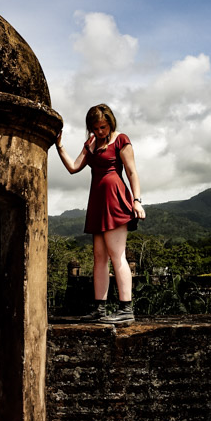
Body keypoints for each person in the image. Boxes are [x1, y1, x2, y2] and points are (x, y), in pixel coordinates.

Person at [54, 104, 146, 323]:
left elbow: (132, 172)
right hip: (97, 204)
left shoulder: (121, 140)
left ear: (110, 123)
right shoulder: (91, 143)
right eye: (95, 128)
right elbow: (73, 167)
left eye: (103, 127)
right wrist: (59, 147)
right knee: (99, 258)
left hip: (115, 201)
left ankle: (126, 309)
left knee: (117, 255)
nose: (99, 132)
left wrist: (137, 200)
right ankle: (100, 308)